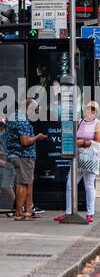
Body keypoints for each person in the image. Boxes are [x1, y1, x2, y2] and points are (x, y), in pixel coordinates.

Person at [57, 101, 100, 224]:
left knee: (89, 186)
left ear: (96, 112)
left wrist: (83, 142)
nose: (89, 111)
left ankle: (90, 213)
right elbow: (74, 137)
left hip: (90, 158)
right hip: (78, 157)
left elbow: (97, 141)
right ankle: (68, 212)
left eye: (92, 110)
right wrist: (81, 142)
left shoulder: (98, 124)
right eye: (88, 109)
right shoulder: (81, 122)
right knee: (69, 184)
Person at [5, 93, 48, 221]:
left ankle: (28, 212)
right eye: (33, 110)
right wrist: (37, 137)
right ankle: (20, 213)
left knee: (25, 183)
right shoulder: (22, 120)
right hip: (23, 156)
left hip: (16, 154)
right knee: (22, 184)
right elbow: (25, 141)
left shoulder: (13, 116)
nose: (34, 113)